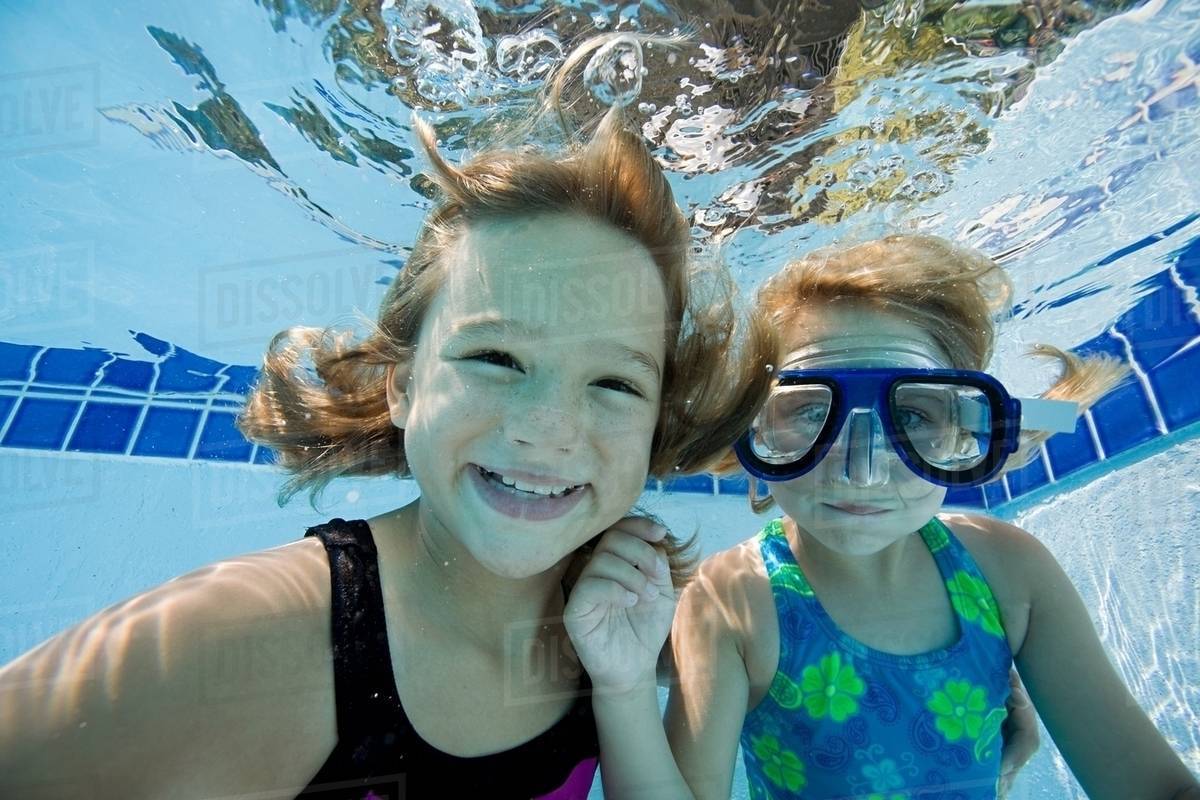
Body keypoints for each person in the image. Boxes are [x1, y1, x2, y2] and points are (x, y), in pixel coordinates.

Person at [0, 56, 777, 798]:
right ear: (403, 387)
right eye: (497, 357)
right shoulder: (259, 639)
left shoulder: (610, 620)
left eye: (614, 383)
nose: (548, 428)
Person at [663, 234, 1200, 799]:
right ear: (755, 429)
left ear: (966, 430)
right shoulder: (729, 599)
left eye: (914, 416)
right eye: (811, 411)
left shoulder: (1011, 572)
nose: (861, 473)